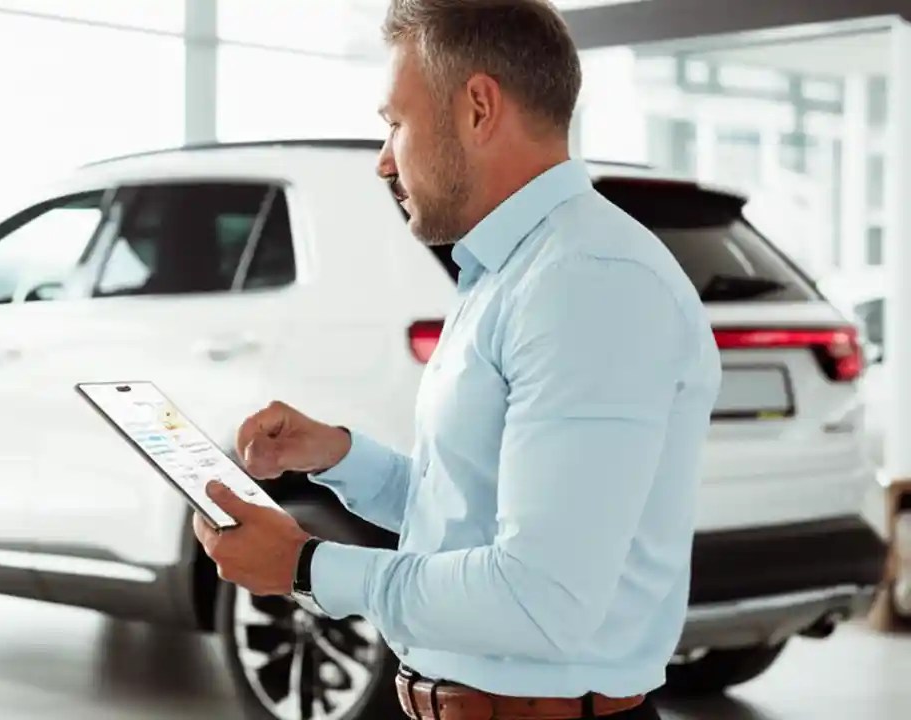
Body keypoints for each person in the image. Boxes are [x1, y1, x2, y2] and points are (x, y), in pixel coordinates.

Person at [192, 1, 722, 717]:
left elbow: (541, 600)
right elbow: (471, 513)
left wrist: (305, 566)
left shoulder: (586, 281)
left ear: (477, 107)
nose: (384, 159)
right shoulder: (511, 270)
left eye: (395, 123)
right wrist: (340, 458)